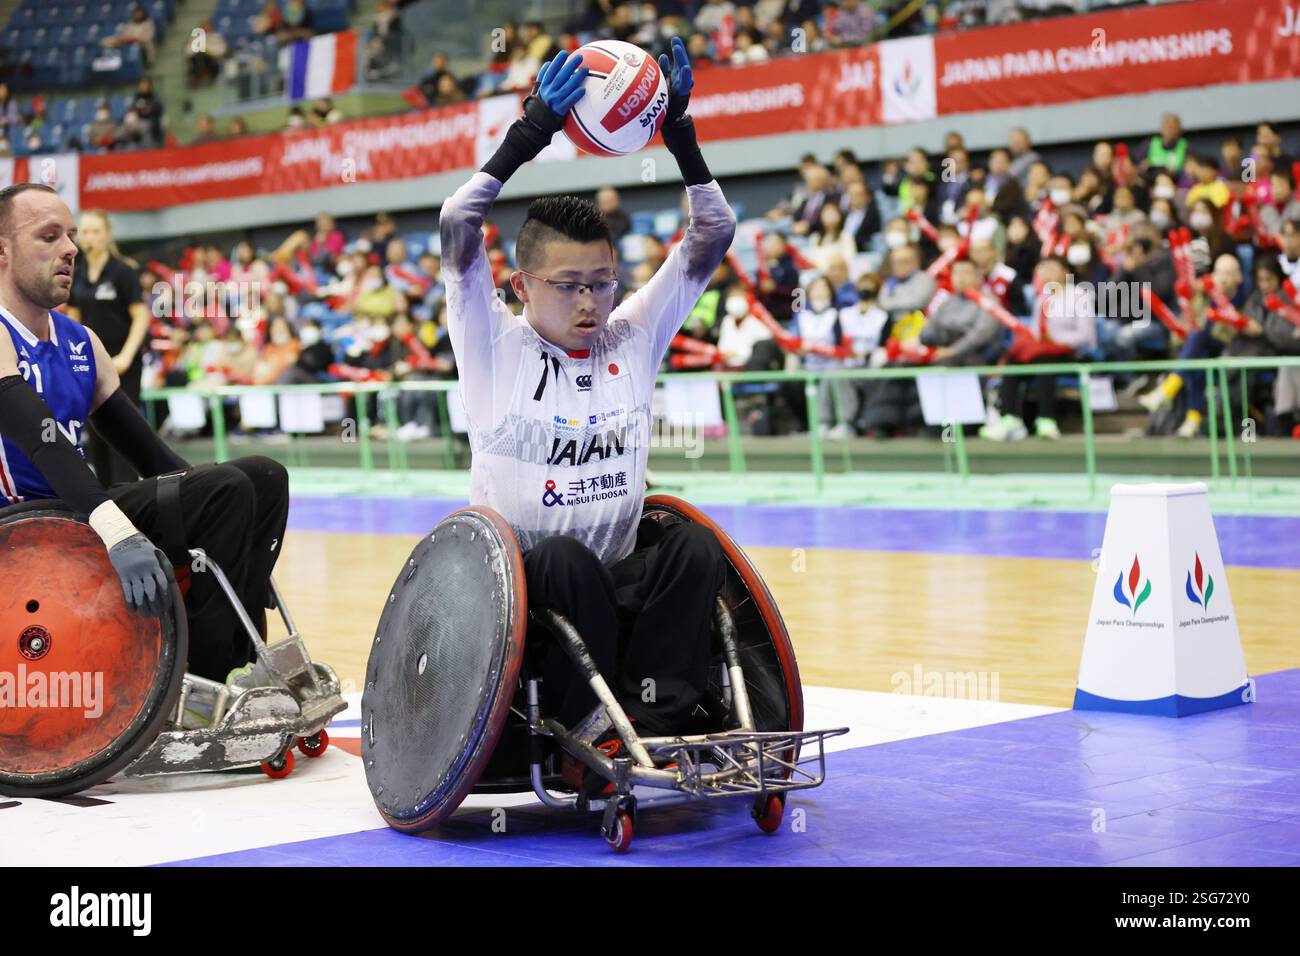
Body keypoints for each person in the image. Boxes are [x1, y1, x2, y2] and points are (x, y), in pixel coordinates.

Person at [439, 40, 736, 789]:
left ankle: (661, 725)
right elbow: (455, 222)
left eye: (602, 283)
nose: (588, 301)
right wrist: (532, 133)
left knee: (696, 548)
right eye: (567, 284)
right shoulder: (492, 345)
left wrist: (682, 137)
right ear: (519, 286)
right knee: (568, 565)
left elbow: (713, 234)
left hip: (618, 577)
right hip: (525, 599)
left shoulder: (631, 336)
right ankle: (585, 738)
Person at [0, 183, 289, 685]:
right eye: (49, 236)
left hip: (78, 513)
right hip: (24, 526)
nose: (70, 248)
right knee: (223, 493)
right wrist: (117, 529)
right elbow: (44, 441)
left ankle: (244, 662)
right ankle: (208, 685)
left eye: (71, 235)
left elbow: (155, 457)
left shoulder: (81, 341)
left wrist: (243, 541)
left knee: (261, 477)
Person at [62, 210, 150, 486]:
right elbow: (73, 318)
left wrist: (125, 355)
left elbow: (141, 316)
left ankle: (131, 502)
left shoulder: (123, 271)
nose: (89, 237)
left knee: (124, 431)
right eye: (84, 232)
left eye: (95, 231)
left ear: (107, 235)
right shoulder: (77, 272)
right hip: (89, 365)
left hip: (124, 364)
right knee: (97, 430)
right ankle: (107, 498)